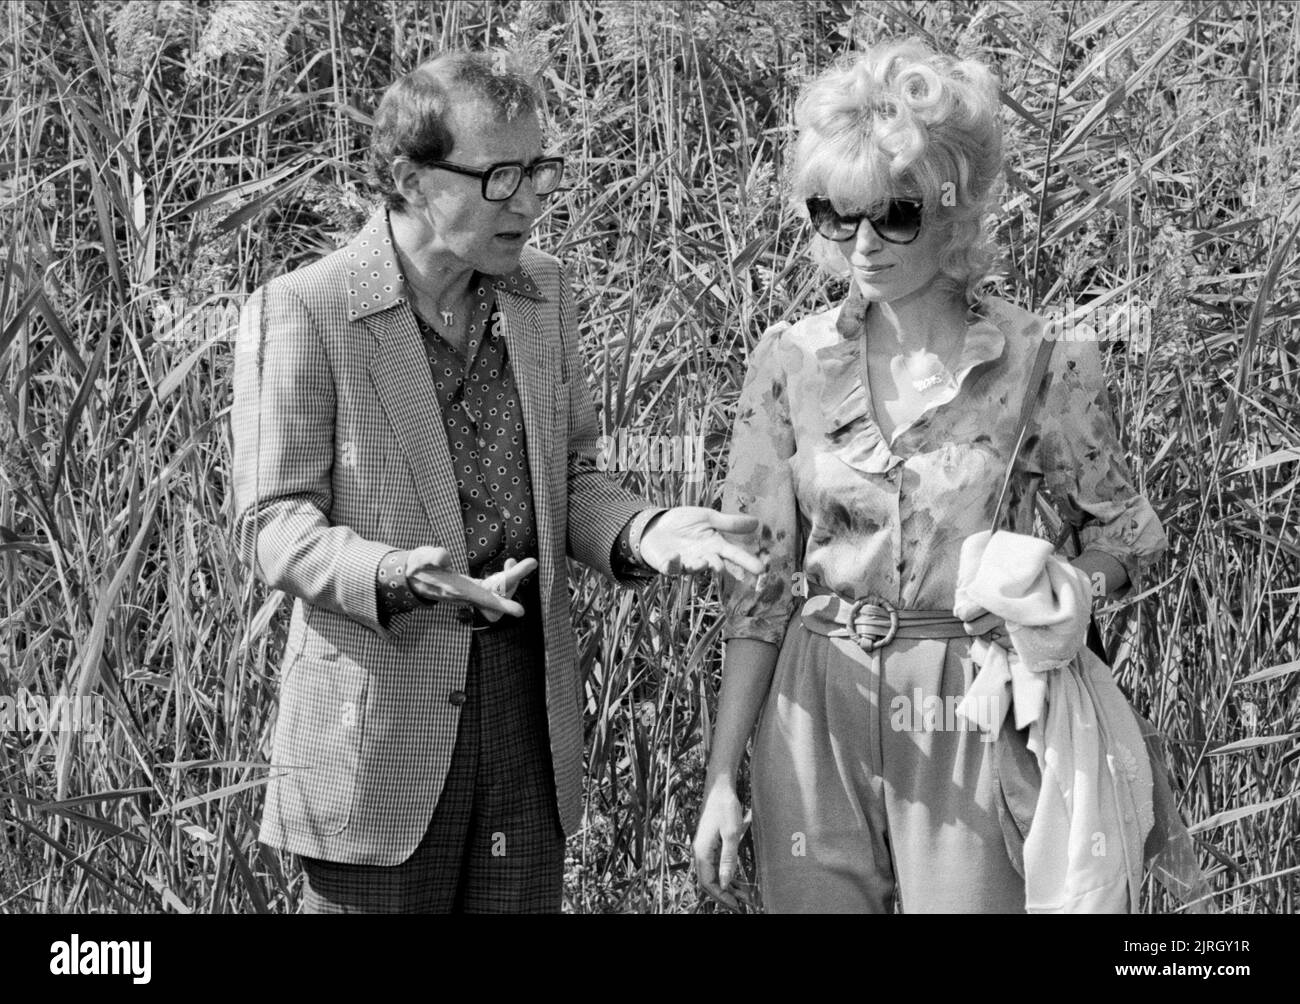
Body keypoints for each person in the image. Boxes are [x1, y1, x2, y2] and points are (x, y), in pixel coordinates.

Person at [230, 50, 761, 914]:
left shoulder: (541, 292)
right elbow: (275, 525)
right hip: (378, 743)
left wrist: (645, 531)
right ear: (408, 178)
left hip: (524, 715)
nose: (531, 199)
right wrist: (401, 573)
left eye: (539, 170)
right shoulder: (304, 308)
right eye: (501, 175)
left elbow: (574, 477)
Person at [692, 38, 1170, 913]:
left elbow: (1128, 537)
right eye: (834, 215)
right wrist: (723, 778)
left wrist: (1060, 587)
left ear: (954, 209)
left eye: (894, 215)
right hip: (812, 702)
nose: (862, 243)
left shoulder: (1043, 359)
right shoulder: (788, 361)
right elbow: (756, 590)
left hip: (970, 702)